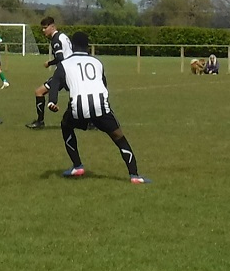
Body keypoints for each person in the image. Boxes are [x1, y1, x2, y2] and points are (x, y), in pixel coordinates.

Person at [57, 31, 145, 183]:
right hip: (101, 107)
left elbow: (59, 83)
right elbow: (103, 83)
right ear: (88, 46)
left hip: (79, 107)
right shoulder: (97, 62)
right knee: (119, 137)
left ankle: (77, 166)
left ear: (73, 45)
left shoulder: (67, 63)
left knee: (66, 126)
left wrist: (52, 101)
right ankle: (134, 175)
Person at [27, 15, 73, 128]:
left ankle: (40, 121)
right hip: (71, 70)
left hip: (64, 73)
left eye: (45, 28)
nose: (43, 30)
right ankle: (91, 122)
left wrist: (49, 63)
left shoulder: (56, 40)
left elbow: (60, 58)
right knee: (78, 95)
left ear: (52, 27)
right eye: (42, 28)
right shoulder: (63, 36)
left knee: (39, 92)